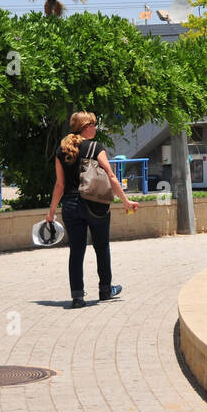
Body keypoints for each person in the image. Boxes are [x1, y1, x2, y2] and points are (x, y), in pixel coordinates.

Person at [47, 111, 138, 308]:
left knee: (76, 251)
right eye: (94, 125)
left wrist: (52, 210)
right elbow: (111, 176)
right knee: (102, 247)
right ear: (85, 127)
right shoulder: (95, 147)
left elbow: (60, 185)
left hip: (71, 206)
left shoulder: (61, 150)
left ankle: (77, 296)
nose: (96, 128)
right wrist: (126, 201)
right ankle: (105, 289)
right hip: (95, 204)